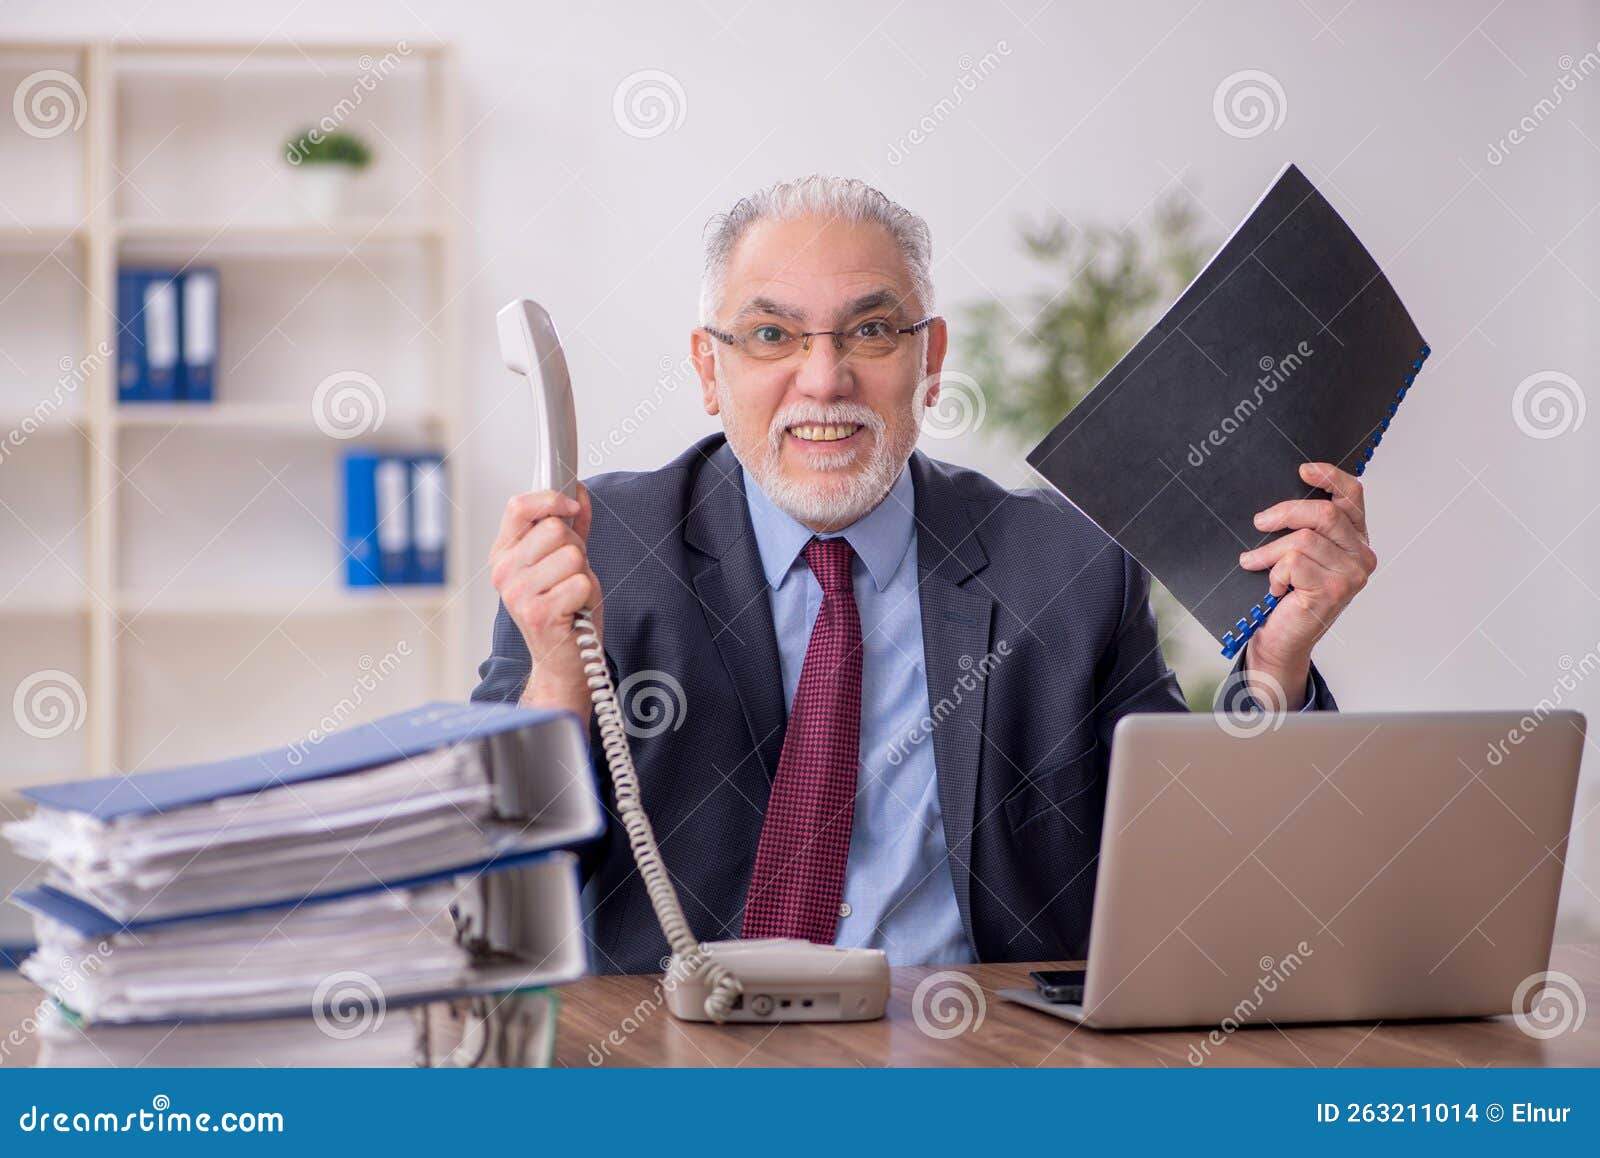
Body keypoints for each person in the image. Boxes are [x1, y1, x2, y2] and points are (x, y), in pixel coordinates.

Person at [472, 175, 1375, 972]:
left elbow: (1196, 869)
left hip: (980, 1066)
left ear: (930, 361)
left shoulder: (1066, 566)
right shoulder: (596, 554)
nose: (823, 380)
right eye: (771, 334)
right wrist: (559, 675)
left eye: (870, 330)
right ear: (711, 368)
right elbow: (489, 891)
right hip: (679, 1068)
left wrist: (1275, 669)